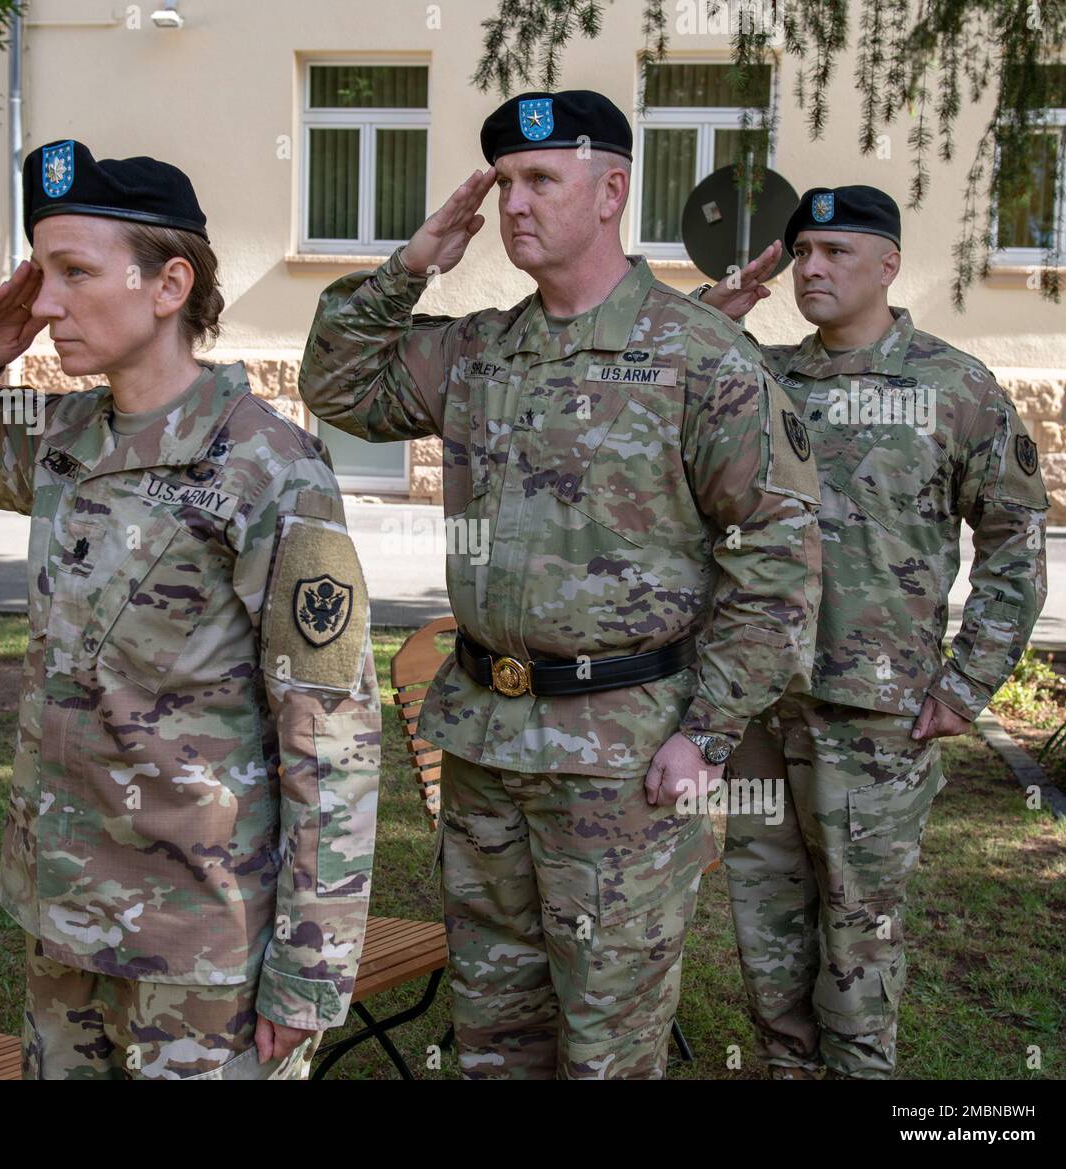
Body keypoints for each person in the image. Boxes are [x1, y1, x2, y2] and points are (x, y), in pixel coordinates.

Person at [298, 90, 823, 1079]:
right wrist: (411, 267)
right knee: (495, 1032)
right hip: (487, 741)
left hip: (624, 757)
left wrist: (705, 734)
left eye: (540, 179)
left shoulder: (698, 356)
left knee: (606, 1045)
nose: (514, 205)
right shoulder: (480, 348)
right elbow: (336, 385)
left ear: (612, 188)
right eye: (502, 184)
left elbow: (778, 562)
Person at [0, 140, 381, 1080]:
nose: (47, 303)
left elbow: (331, 735)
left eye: (72, 273)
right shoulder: (63, 436)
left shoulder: (270, 466)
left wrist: (310, 973)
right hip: (62, 922)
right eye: (37, 274)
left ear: (168, 282)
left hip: (202, 952)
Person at [697, 185, 1049, 1079]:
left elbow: (1015, 535)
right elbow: (676, 364)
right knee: (766, 926)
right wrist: (716, 307)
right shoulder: (766, 374)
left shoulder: (952, 385)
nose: (812, 268)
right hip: (760, 713)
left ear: (889, 264)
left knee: (857, 937)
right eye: (803, 252)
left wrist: (969, 683)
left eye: (836, 253)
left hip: (878, 719)